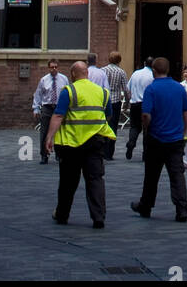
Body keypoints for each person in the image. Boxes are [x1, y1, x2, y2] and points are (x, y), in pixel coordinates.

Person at [45, 60, 115, 229]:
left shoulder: (69, 91)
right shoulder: (103, 93)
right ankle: (98, 217)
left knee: (68, 182)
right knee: (95, 180)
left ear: (73, 74)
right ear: (87, 73)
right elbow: (109, 115)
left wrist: (49, 137)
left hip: (71, 144)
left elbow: (58, 116)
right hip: (95, 142)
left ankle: (62, 214)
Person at [130, 57, 187, 222]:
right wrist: (184, 132)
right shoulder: (179, 88)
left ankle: (146, 206)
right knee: (177, 175)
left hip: (156, 138)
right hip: (176, 139)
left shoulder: (151, 89)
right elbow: (186, 113)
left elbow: (146, 114)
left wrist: (146, 128)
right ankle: (182, 208)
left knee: (151, 175)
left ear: (154, 71)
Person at [33, 59, 69, 164]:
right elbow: (38, 94)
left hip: (59, 107)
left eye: (56, 67)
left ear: (58, 67)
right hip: (47, 107)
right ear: (48, 68)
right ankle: (44, 155)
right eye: (52, 67)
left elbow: (68, 93)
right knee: (44, 132)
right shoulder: (44, 80)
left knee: (60, 132)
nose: (54, 69)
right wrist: (36, 108)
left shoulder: (64, 79)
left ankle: (59, 154)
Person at [103, 51, 129, 160]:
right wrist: (127, 101)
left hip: (104, 100)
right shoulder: (121, 72)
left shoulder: (103, 70)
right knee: (113, 126)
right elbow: (125, 89)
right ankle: (110, 152)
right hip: (116, 101)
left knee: (104, 124)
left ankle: (103, 149)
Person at [126, 57, 154, 160]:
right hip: (147, 104)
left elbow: (128, 89)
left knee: (134, 126)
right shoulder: (153, 76)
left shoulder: (135, 73)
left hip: (135, 104)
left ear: (144, 62)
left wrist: (129, 100)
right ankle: (145, 154)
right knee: (147, 129)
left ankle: (131, 143)